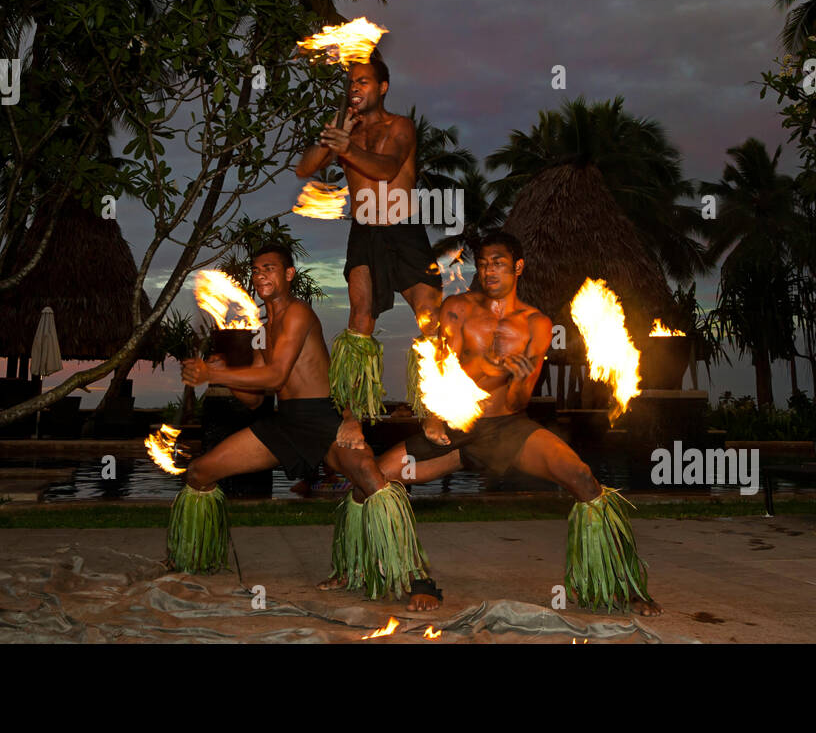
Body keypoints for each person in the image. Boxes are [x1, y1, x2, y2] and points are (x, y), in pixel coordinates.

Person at [376, 231, 662, 617]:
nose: (489, 270)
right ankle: (417, 579)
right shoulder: (457, 308)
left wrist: (512, 379)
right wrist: (434, 415)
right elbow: (439, 364)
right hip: (459, 428)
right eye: (483, 264)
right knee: (380, 476)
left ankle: (622, 584)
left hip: (508, 428)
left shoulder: (536, 324)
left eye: (498, 263)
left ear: (518, 267)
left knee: (583, 479)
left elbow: (518, 401)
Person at [171, 244, 439, 610]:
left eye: (269, 268)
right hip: (286, 422)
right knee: (200, 472)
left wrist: (212, 372)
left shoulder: (297, 313)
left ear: (288, 276)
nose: (260, 274)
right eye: (255, 269)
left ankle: (417, 578)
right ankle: (191, 558)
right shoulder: (265, 329)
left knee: (372, 480)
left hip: (323, 418)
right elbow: (256, 397)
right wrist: (224, 375)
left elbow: (278, 371)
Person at [294, 52, 443, 433]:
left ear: (382, 88)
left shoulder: (401, 126)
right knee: (360, 318)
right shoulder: (348, 130)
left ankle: (438, 411)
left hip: (404, 228)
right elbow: (304, 167)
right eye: (352, 82)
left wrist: (345, 147)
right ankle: (351, 415)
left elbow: (386, 169)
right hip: (364, 231)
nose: (355, 88)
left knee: (431, 318)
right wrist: (332, 136)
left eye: (363, 82)